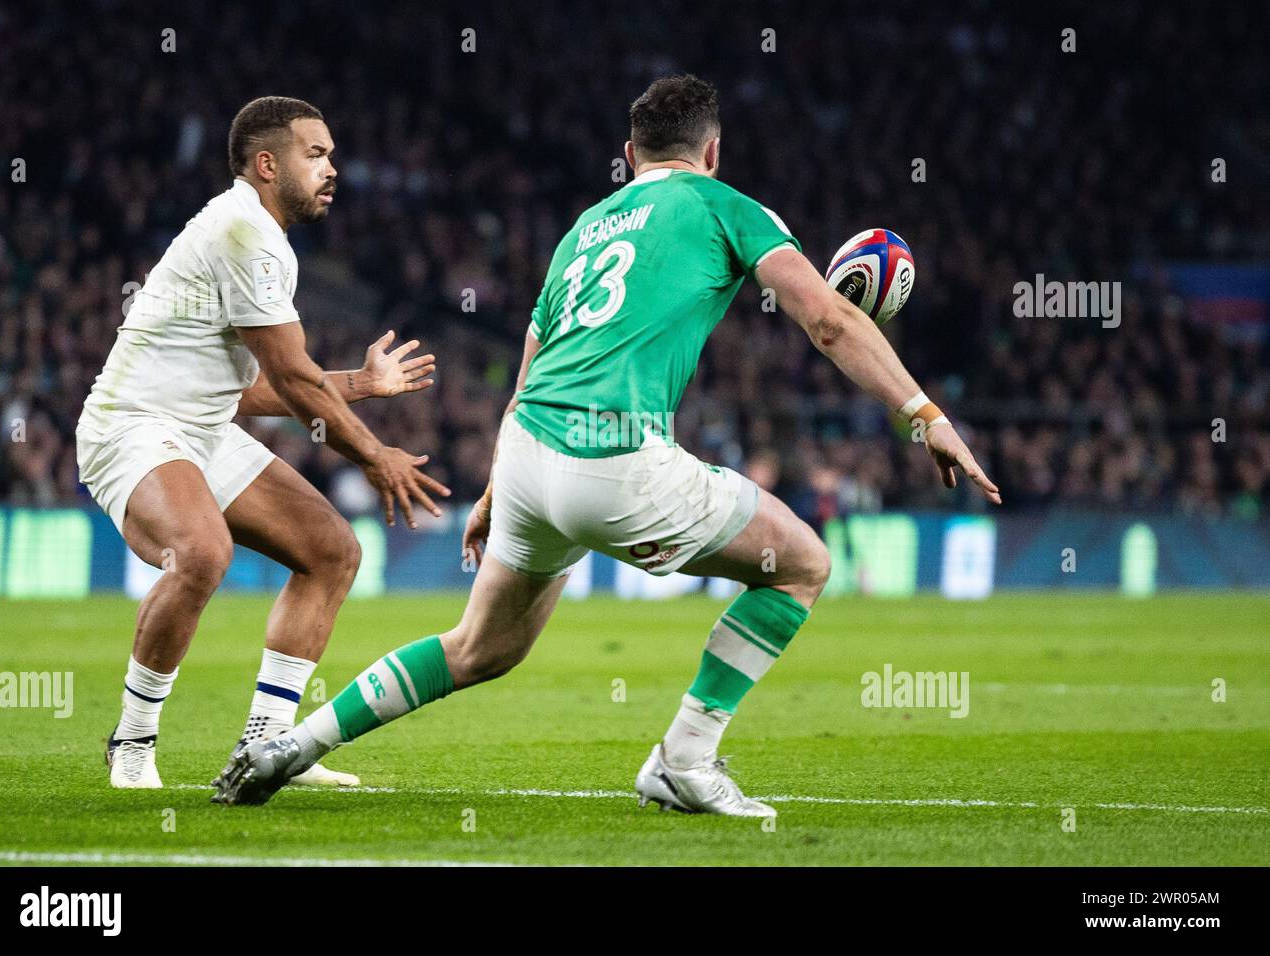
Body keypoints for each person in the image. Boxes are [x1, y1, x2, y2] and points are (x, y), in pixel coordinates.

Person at [212, 76, 999, 815]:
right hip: (613, 458)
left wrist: (494, 489)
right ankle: (684, 762)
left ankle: (294, 742)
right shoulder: (727, 205)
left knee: (478, 648)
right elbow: (827, 321)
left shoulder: (583, 231)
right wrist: (926, 414)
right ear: (712, 151)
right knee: (801, 566)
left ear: (630, 157)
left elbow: (530, 365)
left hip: (526, 451)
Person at [77, 96, 449, 789]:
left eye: (333, 155)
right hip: (132, 424)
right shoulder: (243, 235)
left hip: (200, 426)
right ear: (268, 163)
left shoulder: (261, 239)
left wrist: (359, 385)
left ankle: (267, 745)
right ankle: (131, 742)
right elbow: (290, 374)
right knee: (201, 552)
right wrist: (374, 455)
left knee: (332, 551)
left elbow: (250, 390)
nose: (333, 169)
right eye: (317, 155)